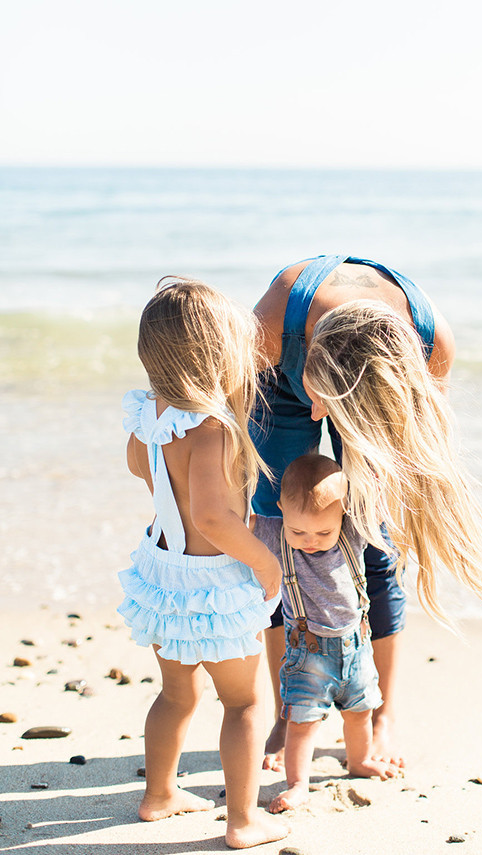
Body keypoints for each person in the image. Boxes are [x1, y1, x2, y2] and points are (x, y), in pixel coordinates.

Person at [250, 254, 482, 772]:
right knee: (276, 535)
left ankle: (381, 713)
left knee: (375, 542)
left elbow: (427, 452)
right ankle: (287, 711)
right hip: (277, 382)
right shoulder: (270, 325)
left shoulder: (430, 344)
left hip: (381, 396)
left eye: (326, 406)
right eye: (321, 401)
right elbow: (221, 404)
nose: (320, 416)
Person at [117, 277, 289, 850]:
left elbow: (139, 468)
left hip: (163, 570)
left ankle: (159, 794)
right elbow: (216, 520)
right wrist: (266, 564)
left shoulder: (148, 415)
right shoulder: (212, 427)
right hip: (213, 581)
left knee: (176, 694)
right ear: (220, 356)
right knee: (242, 702)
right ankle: (242, 821)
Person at [251, 453, 397, 813]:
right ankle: (298, 783)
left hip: (357, 646)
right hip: (308, 654)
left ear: (344, 514)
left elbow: (383, 496)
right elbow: (233, 520)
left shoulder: (353, 529)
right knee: (300, 722)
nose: (310, 540)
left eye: (322, 532)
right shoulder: (272, 531)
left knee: (360, 712)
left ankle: (359, 760)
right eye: (298, 531)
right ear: (281, 507)